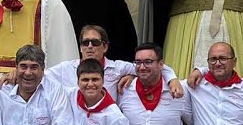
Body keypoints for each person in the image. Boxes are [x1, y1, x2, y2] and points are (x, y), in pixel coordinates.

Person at [44, 25, 179, 99]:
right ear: (80, 47)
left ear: (105, 47)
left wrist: (173, 80)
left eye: (95, 42)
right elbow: (41, 78)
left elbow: (154, 66)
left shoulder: (118, 68)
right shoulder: (65, 68)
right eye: (85, 43)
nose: (90, 46)